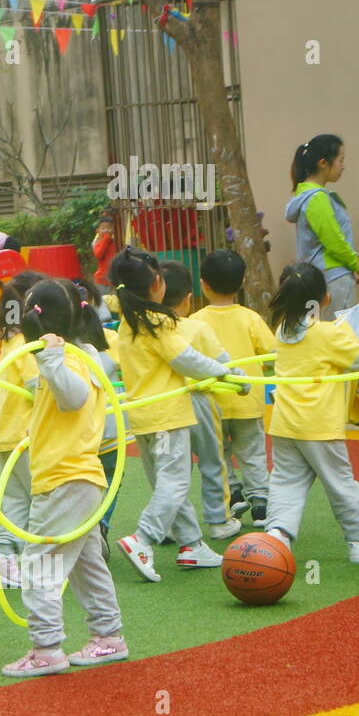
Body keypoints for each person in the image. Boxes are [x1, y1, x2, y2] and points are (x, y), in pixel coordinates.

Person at [1, 280, 128, 677]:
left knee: (39, 562)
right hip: (76, 476)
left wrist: (51, 359)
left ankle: (46, 648)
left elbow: (72, 398)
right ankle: (108, 637)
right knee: (86, 563)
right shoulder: (82, 354)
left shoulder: (64, 359)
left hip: (65, 477)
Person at [108, 248, 239, 581]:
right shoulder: (158, 322)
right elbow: (187, 360)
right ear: (156, 283)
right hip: (168, 416)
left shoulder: (127, 320)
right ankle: (143, 538)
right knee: (176, 482)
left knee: (169, 483)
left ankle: (191, 545)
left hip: (144, 417)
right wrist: (226, 373)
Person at [261, 264, 359, 563]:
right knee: (340, 483)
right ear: (326, 298)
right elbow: (358, 359)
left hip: (285, 424)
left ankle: (277, 535)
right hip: (319, 426)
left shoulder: (281, 330)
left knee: (285, 481)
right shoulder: (329, 334)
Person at [193, 251, 278, 528]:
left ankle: (234, 493)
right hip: (247, 399)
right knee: (252, 453)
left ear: (203, 284)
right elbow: (271, 353)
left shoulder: (196, 321)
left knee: (218, 455)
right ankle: (260, 504)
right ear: (241, 282)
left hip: (212, 402)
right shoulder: (250, 318)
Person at [159, 261, 240, 540]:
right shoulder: (197, 328)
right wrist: (240, 382)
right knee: (212, 460)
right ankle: (219, 520)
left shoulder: (149, 330)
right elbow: (223, 364)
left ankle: (170, 525)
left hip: (165, 406)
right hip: (200, 402)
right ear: (188, 299)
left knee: (170, 468)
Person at [0, 271, 45, 585]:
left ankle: (6, 560)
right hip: (26, 434)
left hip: (6, 434)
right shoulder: (27, 344)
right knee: (37, 497)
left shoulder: (10, 340)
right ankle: (30, 560)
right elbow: (38, 387)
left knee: (15, 500)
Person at [285, 135, 355, 311]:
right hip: (334, 278)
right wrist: (358, 265)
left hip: (319, 277)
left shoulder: (305, 195)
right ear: (323, 163)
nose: (343, 166)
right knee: (341, 333)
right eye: (341, 160)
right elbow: (334, 241)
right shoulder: (317, 198)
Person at [92, 216, 118, 293]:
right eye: (103, 228)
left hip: (114, 278)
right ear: (97, 231)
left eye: (109, 228)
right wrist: (106, 240)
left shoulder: (115, 242)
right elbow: (99, 255)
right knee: (102, 301)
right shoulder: (97, 243)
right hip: (102, 279)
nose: (106, 230)